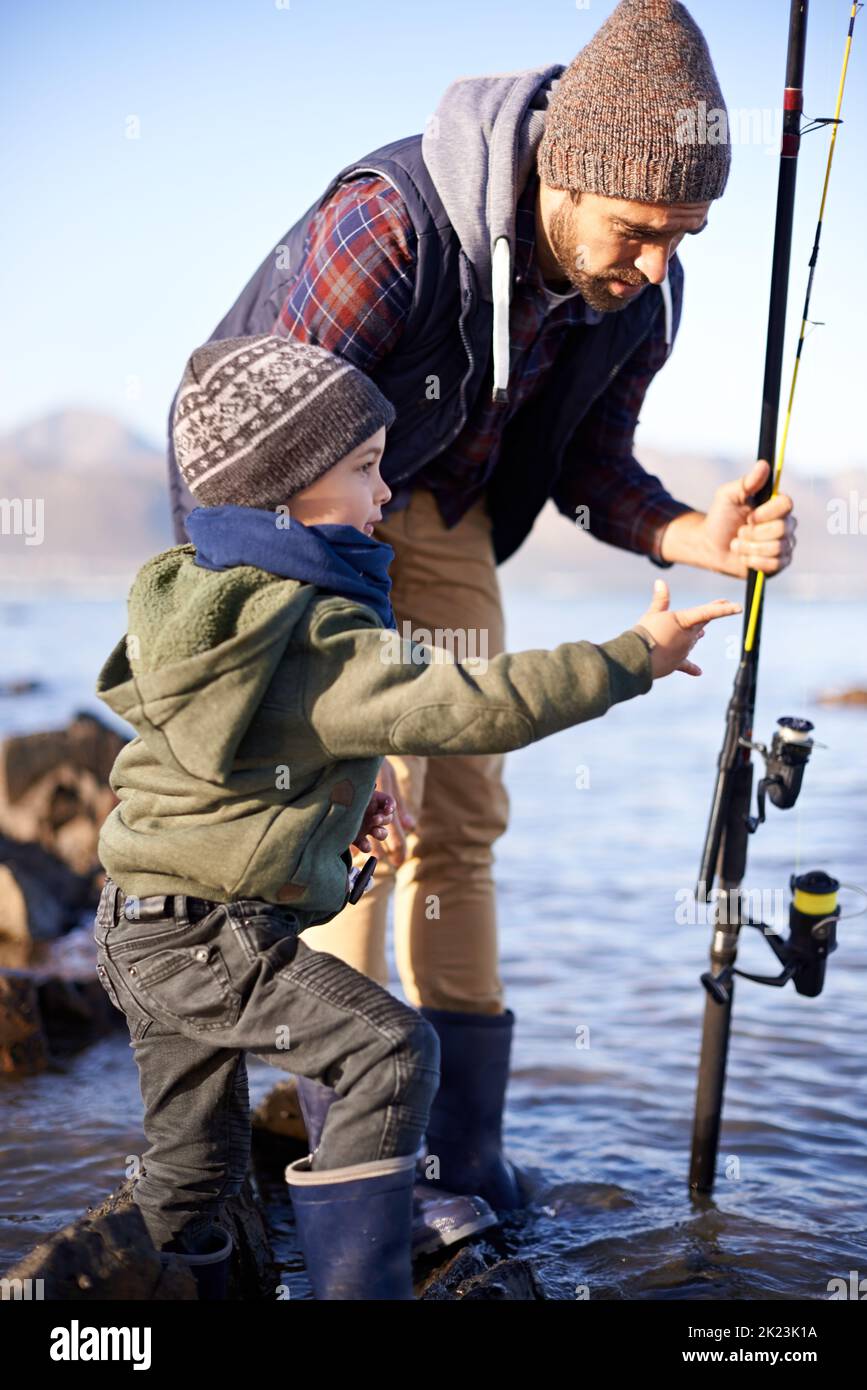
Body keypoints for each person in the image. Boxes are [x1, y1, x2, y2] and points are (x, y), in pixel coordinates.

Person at [162, 0, 797, 1225]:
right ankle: (353, 1153)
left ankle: (459, 1155)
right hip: (295, 505)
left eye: (689, 234)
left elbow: (589, 466)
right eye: (643, 229)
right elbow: (251, 456)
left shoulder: (641, 295)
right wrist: (312, 696)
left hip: (439, 501)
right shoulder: (388, 228)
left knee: (466, 807)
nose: (661, 263)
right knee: (357, 816)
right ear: (565, 173)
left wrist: (691, 536)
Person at [93, 335, 741, 1299]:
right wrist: (628, 659)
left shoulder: (214, 612)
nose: (386, 494)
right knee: (390, 1048)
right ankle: (367, 1286)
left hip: (136, 927)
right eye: (363, 471)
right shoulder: (315, 629)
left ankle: (163, 1293)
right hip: (210, 939)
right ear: (285, 498)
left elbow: (251, 760)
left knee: (198, 1171)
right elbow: (470, 700)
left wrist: (350, 779)